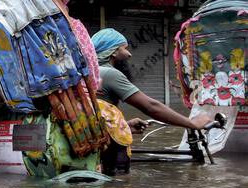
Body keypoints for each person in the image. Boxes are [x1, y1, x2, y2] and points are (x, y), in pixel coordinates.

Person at [91, 27, 214, 175]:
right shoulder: (109, 73)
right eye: (125, 48)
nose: (129, 54)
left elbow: (96, 116)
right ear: (113, 51)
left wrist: (124, 126)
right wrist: (192, 123)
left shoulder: (90, 73)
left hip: (92, 142)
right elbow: (151, 107)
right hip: (105, 153)